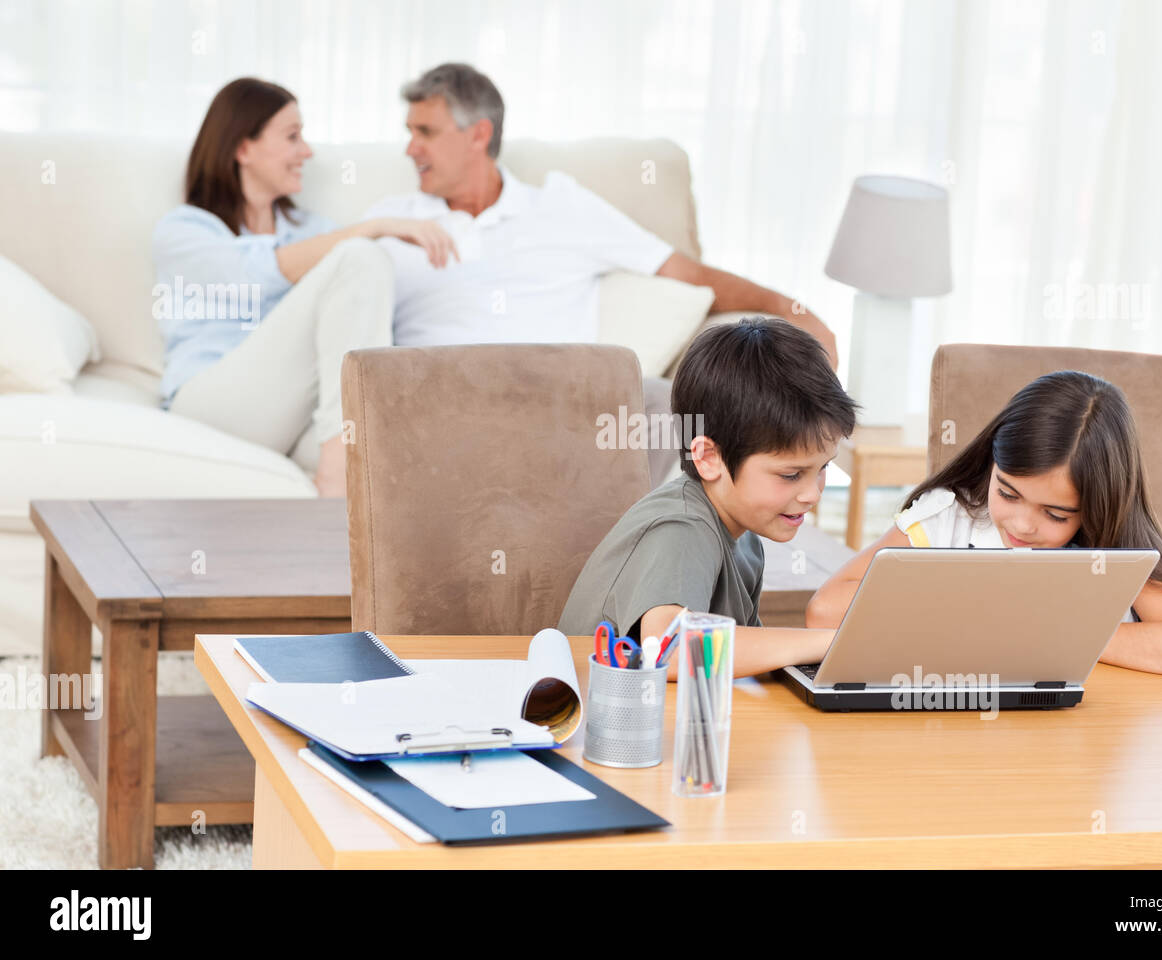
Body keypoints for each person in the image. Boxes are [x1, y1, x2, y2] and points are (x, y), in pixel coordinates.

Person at [365, 63, 839, 483]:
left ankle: (657, 555)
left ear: (478, 135)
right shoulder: (390, 221)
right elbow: (323, 298)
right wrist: (373, 231)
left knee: (670, 406)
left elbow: (685, 272)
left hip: (561, 410)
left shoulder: (560, 206)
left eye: (424, 131)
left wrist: (792, 309)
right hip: (438, 408)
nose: (411, 148)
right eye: (410, 132)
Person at [805, 371, 1162, 679]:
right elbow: (825, 612)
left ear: (1096, 509)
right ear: (992, 464)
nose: (1022, 525)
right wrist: (978, 606)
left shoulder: (1111, 546)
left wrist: (1036, 630)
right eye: (1007, 493)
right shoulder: (949, 518)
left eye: (1056, 514)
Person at [152, 77, 459, 496]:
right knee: (361, 255)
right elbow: (255, 274)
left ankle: (348, 461)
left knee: (417, 457)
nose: (307, 151)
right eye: (293, 137)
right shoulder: (185, 231)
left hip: (291, 415)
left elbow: (356, 313)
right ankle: (337, 482)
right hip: (211, 402)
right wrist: (373, 228)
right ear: (243, 148)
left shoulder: (314, 232)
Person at [558, 318, 857, 679]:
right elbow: (667, 648)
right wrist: (834, 642)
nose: (813, 494)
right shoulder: (681, 527)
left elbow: (738, 656)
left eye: (823, 467)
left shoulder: (744, 538)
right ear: (708, 457)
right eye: (790, 475)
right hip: (601, 726)